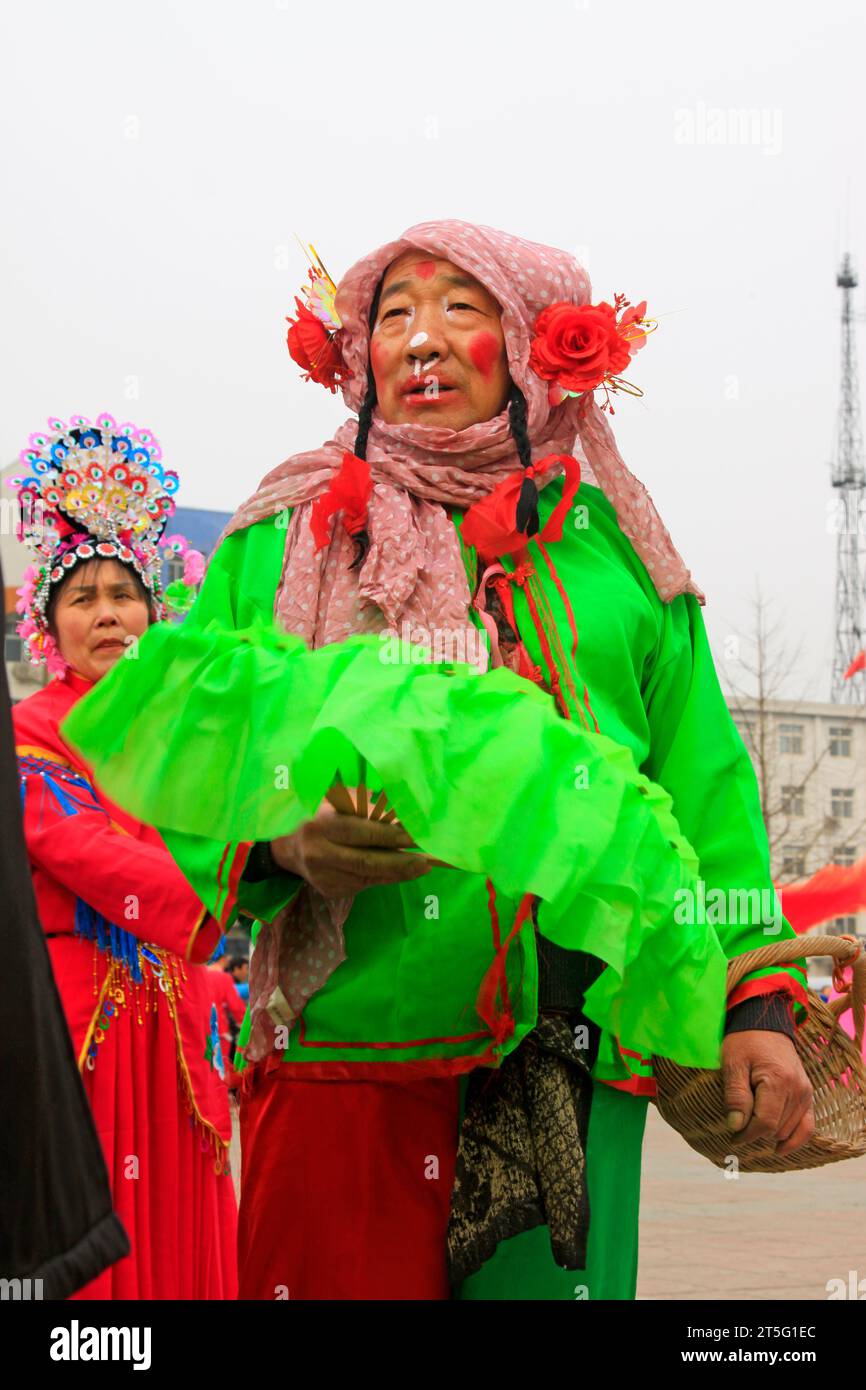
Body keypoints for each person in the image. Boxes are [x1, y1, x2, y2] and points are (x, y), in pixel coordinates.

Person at [62, 225, 813, 1301]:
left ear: (528, 349)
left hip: (564, 1049)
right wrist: (287, 841)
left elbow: (702, 788)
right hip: (346, 1049)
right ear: (356, 354)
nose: (420, 341)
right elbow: (193, 754)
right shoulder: (282, 538)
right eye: (393, 314)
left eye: (461, 309)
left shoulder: (617, 557)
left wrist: (755, 999)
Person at [10, 414, 238, 1299]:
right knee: (93, 1249)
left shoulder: (189, 736)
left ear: (153, 609)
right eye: (81, 597)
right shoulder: (29, 734)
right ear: (51, 625)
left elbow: (240, 834)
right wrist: (229, 887)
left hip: (183, 1027)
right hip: (84, 1034)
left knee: (181, 1246)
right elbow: (82, 851)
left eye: (123, 593)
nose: (106, 613)